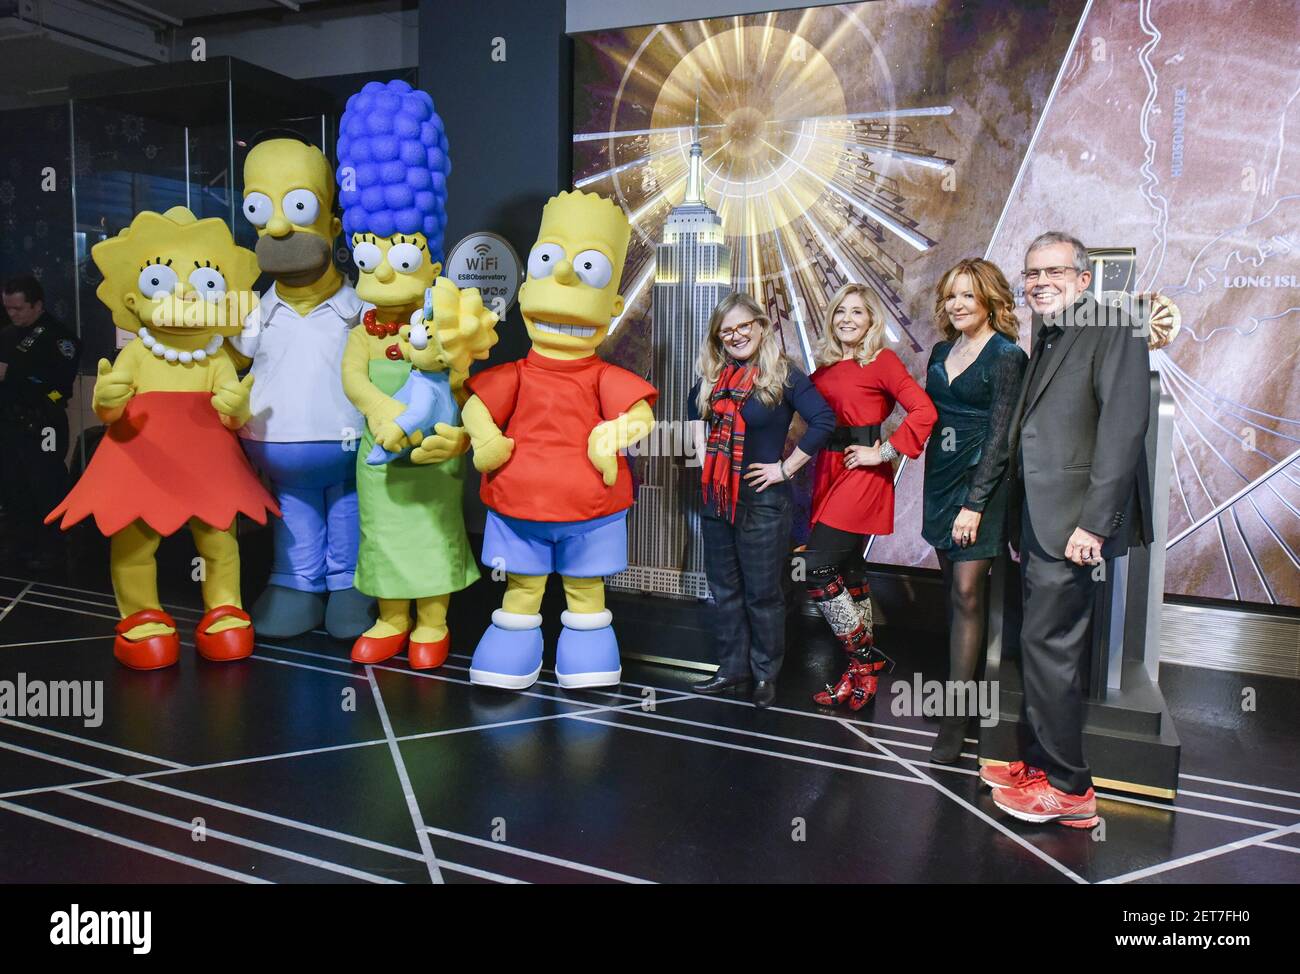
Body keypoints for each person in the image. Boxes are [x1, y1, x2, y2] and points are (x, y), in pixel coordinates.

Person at [981, 231, 1151, 829]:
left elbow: (1123, 431)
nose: (1040, 281)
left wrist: (1093, 525)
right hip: (1038, 522)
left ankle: (1070, 791)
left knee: (1052, 652)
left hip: (1073, 525)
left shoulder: (1113, 324)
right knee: (1039, 649)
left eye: (1054, 271)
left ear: (1083, 279)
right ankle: (1036, 764)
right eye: (1031, 273)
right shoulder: (1051, 333)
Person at [688, 291, 835, 709]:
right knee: (725, 590)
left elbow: (823, 420)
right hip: (718, 500)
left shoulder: (783, 374)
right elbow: (694, 415)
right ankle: (732, 671)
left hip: (764, 503)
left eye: (742, 326)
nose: (735, 336)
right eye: (726, 331)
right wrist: (706, 465)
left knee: (764, 594)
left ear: (759, 325)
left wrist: (785, 469)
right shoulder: (713, 377)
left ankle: (766, 675)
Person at [804, 283, 937, 711]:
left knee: (817, 567)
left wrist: (883, 452)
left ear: (871, 320)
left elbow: (924, 411)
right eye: (840, 311)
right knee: (848, 569)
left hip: (861, 475)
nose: (847, 319)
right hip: (826, 472)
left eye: (857, 312)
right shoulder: (823, 369)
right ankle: (856, 673)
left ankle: (865, 661)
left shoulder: (881, 360)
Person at [921, 259, 1027, 761]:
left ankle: (956, 719)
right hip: (940, 481)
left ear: (989, 300)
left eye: (967, 295)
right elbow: (928, 418)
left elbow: (1003, 439)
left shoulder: (1007, 355)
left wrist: (974, 505)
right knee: (953, 597)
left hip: (980, 486)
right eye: (951, 296)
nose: (957, 304)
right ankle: (957, 700)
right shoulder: (942, 350)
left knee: (968, 596)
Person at [0, 275, 80, 572]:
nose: (13, 314)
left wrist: (14, 374)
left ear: (36, 305)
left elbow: (59, 387)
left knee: (46, 487)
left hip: (42, 422)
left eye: (19, 308)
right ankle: (19, 545)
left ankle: (53, 550)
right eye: (8, 308)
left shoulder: (59, 339)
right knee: (13, 487)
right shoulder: (7, 336)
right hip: (9, 423)